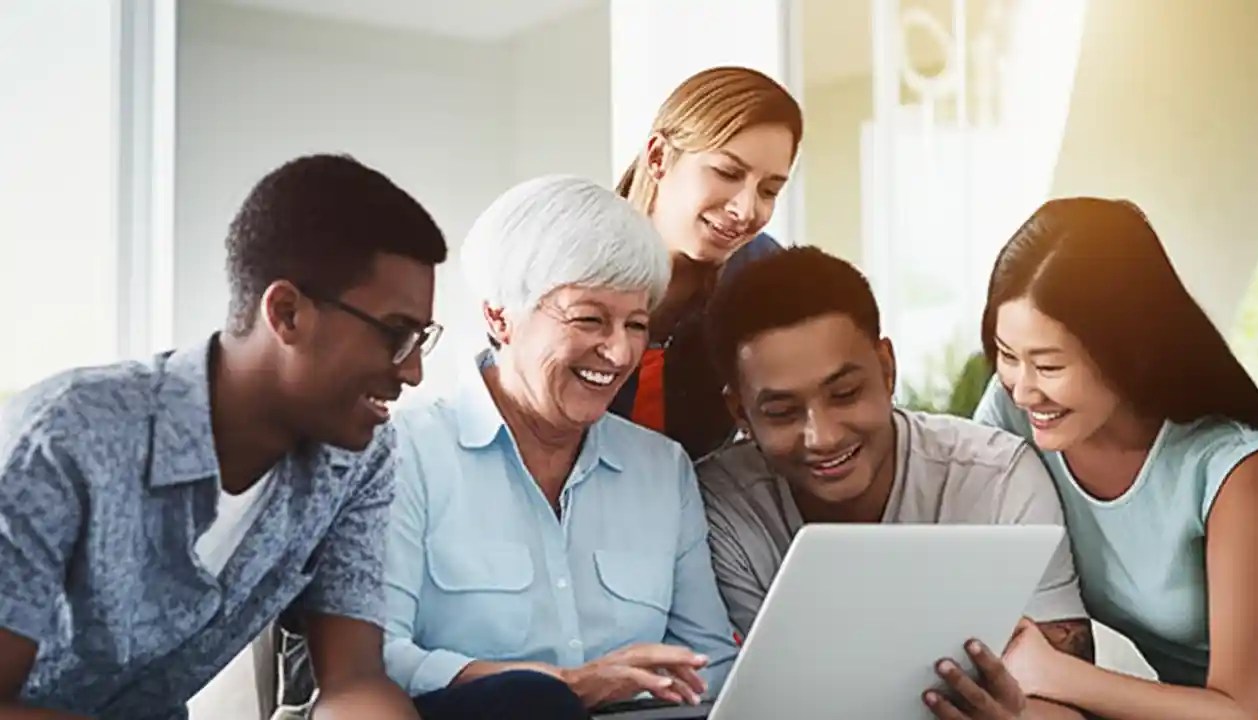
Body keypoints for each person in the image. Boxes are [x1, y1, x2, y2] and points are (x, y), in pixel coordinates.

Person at [0, 154, 446, 719]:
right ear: (286, 313)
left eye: (420, 339)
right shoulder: (68, 437)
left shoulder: (358, 460)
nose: (413, 372)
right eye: (396, 334)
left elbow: (353, 679)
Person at [382, 175, 738, 719]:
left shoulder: (663, 469)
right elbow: (377, 659)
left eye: (636, 324)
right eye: (589, 320)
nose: (619, 353)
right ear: (499, 316)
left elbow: (710, 664)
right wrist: (567, 687)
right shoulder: (405, 454)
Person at [697, 246, 1094, 719]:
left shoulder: (997, 476)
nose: (823, 437)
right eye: (782, 412)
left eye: (845, 394)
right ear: (741, 413)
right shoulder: (721, 506)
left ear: (886, 369)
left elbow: (1071, 706)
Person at [973, 198, 1258, 719]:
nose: (1023, 390)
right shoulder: (1012, 413)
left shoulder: (1234, 467)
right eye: (1007, 355)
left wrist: (1056, 673)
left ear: (1129, 351)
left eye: (1049, 366)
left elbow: (1236, 711)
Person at [611, 65, 803, 460]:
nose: (746, 210)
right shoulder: (575, 262)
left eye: (769, 190)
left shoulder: (764, 276)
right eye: (727, 173)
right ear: (658, 157)